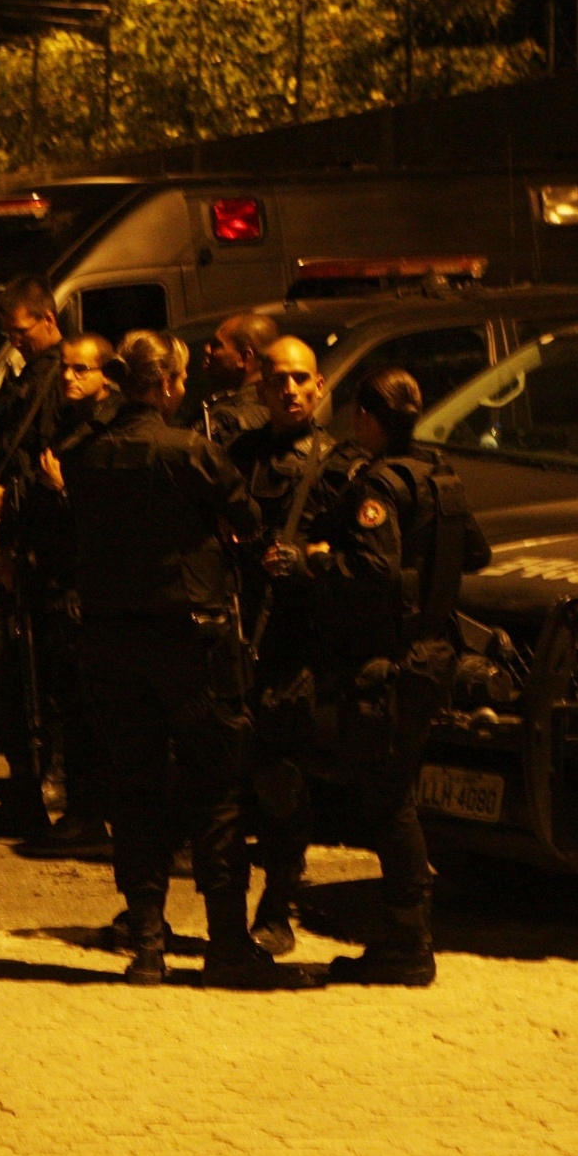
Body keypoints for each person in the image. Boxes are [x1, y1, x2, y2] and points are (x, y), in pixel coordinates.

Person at [60, 330, 304, 989]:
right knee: (216, 791)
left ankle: (146, 944)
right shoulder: (189, 450)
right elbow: (244, 518)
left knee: (134, 790)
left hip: (112, 641)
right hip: (189, 641)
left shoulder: (85, 452)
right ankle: (226, 940)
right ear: (166, 384)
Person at [301, 368, 490, 986]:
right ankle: (406, 937)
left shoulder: (380, 482)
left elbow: (372, 572)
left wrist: (315, 563)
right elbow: (477, 553)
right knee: (396, 794)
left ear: (369, 418)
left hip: (390, 663)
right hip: (432, 657)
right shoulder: (442, 477)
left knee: (390, 805)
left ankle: (408, 943)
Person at [228, 336, 367, 955]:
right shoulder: (238, 455)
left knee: (283, 781)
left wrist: (312, 563)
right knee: (227, 782)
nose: (289, 389)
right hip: (237, 640)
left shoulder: (343, 468)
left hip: (298, 646)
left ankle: (277, 906)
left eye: (300, 379)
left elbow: (366, 565)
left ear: (319, 389)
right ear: (260, 389)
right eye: (278, 379)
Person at [0, 275, 71, 833]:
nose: (16, 343)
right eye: (8, 334)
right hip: (23, 543)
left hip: (52, 547)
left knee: (50, 683)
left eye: (21, 332)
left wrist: (8, 495)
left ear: (48, 320)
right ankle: (28, 785)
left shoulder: (60, 377)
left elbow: (55, 461)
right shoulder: (27, 377)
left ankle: (56, 792)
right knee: (18, 678)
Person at [19, 331, 122, 858]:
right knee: (66, 701)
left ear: (106, 374)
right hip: (57, 578)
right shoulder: (62, 423)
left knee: (91, 708)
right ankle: (80, 806)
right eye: (64, 368)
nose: (68, 378)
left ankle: (93, 812)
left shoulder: (109, 430)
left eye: (82, 369)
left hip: (92, 585)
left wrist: (60, 492)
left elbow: (109, 517)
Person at [194, 313, 278, 447]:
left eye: (217, 345)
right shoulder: (279, 410)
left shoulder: (226, 419)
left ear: (244, 357)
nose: (207, 349)